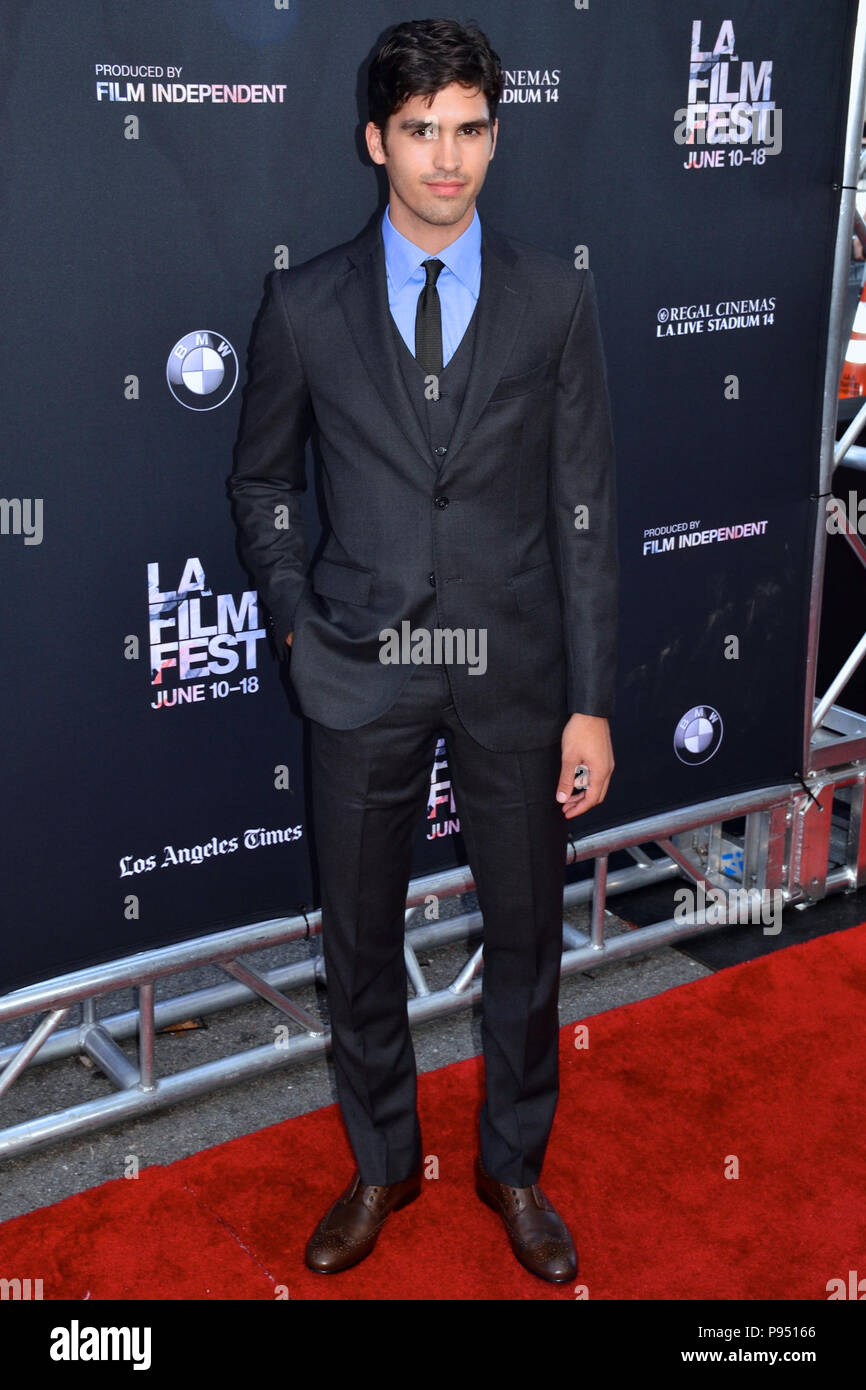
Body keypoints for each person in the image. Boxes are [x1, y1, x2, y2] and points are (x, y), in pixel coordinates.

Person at [229, 17, 618, 1285]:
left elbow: (584, 510)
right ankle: (383, 1163)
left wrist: (592, 700)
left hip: (515, 674)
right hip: (359, 667)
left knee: (525, 938)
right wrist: (295, 618)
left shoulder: (556, 299)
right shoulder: (302, 302)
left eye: (467, 130)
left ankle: (512, 1166)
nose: (444, 160)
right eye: (419, 131)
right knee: (356, 941)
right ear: (373, 139)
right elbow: (263, 485)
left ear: (494, 137)